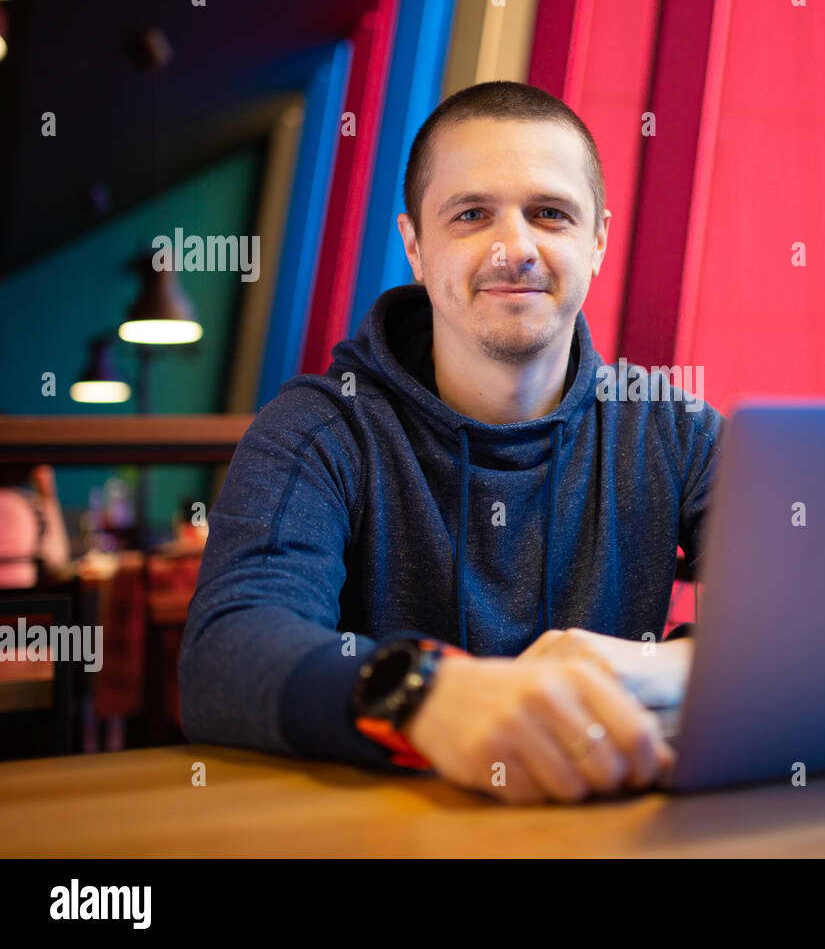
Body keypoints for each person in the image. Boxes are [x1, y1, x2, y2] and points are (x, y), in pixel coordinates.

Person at [179, 81, 724, 804]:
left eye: (550, 214)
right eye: (471, 215)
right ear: (415, 244)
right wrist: (422, 694)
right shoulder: (318, 429)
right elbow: (224, 654)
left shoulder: (674, 429)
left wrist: (661, 667)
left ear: (597, 241)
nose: (516, 248)